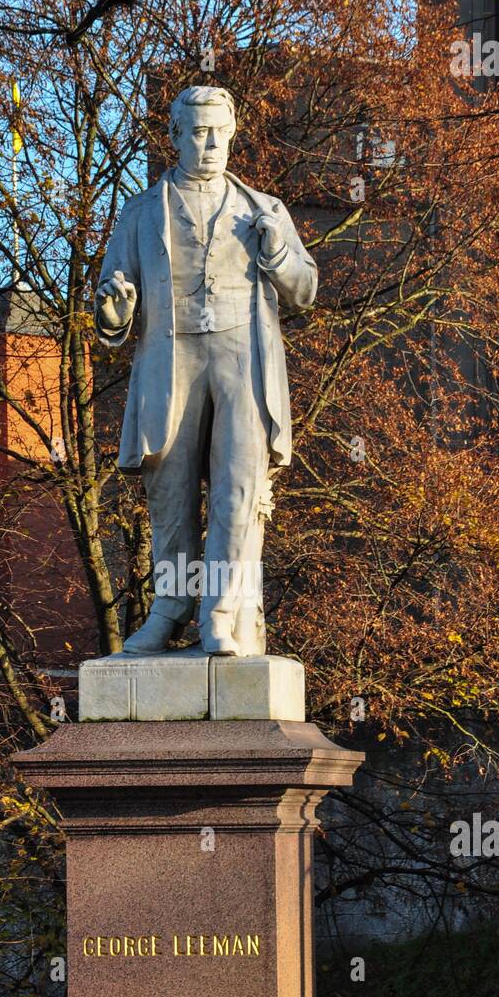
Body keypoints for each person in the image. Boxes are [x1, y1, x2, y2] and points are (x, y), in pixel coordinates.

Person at [95, 85, 317, 655]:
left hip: (243, 361)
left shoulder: (264, 209)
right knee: (168, 497)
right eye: (198, 131)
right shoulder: (142, 211)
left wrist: (279, 254)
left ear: (234, 131)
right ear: (174, 136)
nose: (211, 142)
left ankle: (219, 611)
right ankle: (169, 610)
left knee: (236, 493)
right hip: (172, 361)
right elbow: (112, 301)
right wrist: (115, 311)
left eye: (220, 130)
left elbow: (304, 290)